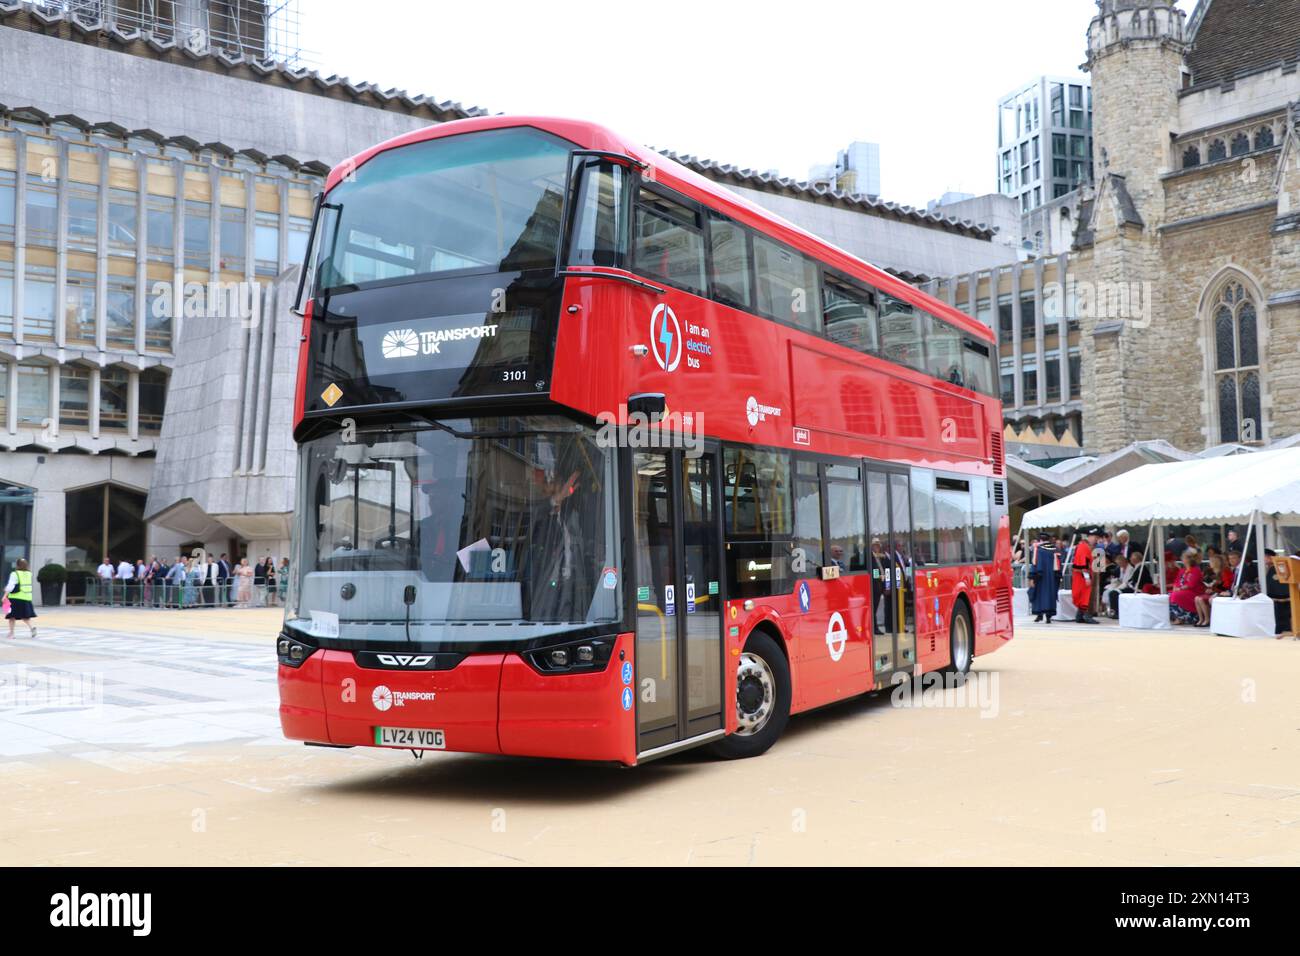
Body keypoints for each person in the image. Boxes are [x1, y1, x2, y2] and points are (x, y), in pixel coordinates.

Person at [1029, 532, 1061, 624]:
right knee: (1050, 595)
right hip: (1051, 577)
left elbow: (1034, 564)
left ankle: (1039, 615)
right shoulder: (1055, 549)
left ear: (1040, 540)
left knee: (1039, 595)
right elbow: (1059, 564)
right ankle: (1048, 617)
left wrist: (1032, 577)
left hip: (1040, 576)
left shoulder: (1038, 550)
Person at [1107, 551, 1150, 617]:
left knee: (1113, 593)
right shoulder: (1138, 567)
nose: (1130, 559)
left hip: (1138, 589)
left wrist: (1127, 585)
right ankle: (1115, 611)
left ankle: (1116, 612)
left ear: (1136, 559)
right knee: (1113, 592)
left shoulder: (1140, 568)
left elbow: (1135, 581)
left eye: (1131, 557)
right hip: (1134, 587)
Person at [1169, 550, 1206, 625]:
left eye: (1183, 558)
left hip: (1193, 592)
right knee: (1168, 595)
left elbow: (1191, 584)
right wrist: (1175, 587)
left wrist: (1180, 589)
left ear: (1187, 559)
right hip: (1183, 591)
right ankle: (1177, 617)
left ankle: (1182, 617)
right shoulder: (1182, 570)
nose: (1182, 559)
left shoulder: (1196, 570)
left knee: (1175, 595)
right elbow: (1177, 581)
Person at [1195, 554, 1231, 627]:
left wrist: (1214, 589)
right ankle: (1202, 619)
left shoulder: (1224, 571)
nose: (1209, 563)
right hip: (1214, 591)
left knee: (1201, 599)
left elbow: (1226, 585)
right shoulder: (1211, 572)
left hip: (1221, 592)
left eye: (1211, 562)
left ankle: (1207, 619)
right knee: (1197, 598)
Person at [1072, 529, 1100, 624]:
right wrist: (1087, 577)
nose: (1096, 540)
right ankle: (1087, 616)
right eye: (1095, 537)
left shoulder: (1085, 546)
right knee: (1085, 596)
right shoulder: (1083, 547)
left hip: (1082, 576)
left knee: (1084, 596)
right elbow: (1083, 564)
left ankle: (1079, 616)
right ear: (1090, 537)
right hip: (1082, 576)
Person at [4, 558, 37, 638]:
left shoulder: (15, 574)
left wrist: (4, 596)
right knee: (25, 616)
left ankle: (12, 633)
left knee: (12, 617)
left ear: (17, 565)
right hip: (26, 598)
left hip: (15, 598)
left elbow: (10, 586)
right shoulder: (29, 574)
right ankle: (32, 627)